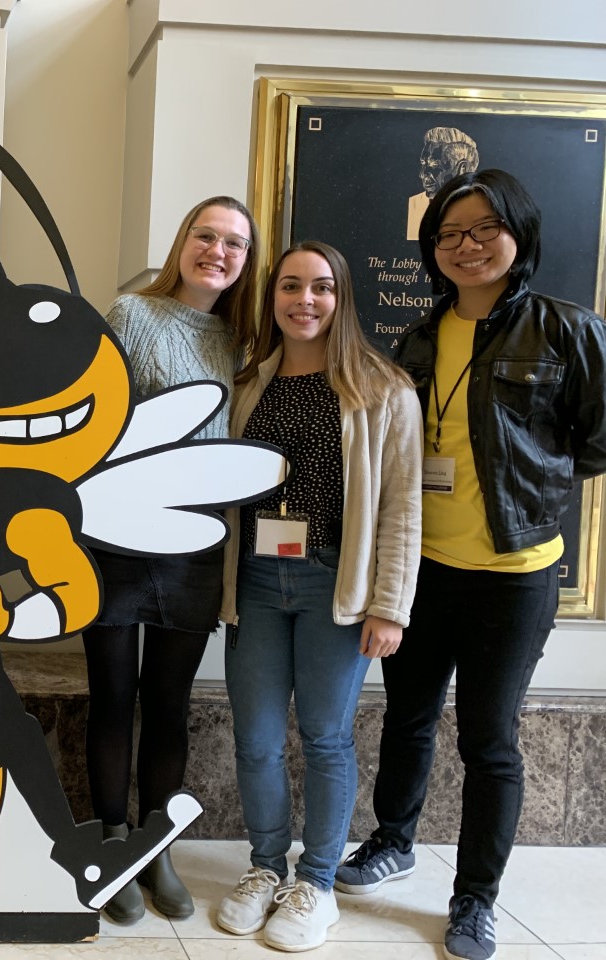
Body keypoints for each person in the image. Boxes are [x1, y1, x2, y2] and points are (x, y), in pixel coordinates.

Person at [335, 169, 606, 960]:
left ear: (518, 234)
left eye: (485, 229)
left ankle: (476, 898)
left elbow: (596, 439)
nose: (467, 246)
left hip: (514, 574)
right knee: (409, 717)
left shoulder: (567, 331)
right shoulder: (420, 336)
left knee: (490, 738)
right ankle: (393, 839)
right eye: (449, 234)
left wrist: (538, 482)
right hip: (422, 566)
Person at [216, 241, 422, 951]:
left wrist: (390, 606)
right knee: (256, 740)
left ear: (343, 299)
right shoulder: (249, 382)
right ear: (272, 297)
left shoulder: (384, 388)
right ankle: (266, 868)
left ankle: (319, 883)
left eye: (323, 288)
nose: (306, 300)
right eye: (291, 286)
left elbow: (401, 506)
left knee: (327, 738)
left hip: (335, 583)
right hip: (255, 582)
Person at [83, 197, 261, 923]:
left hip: (197, 548)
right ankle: (113, 844)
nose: (218, 251)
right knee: (113, 695)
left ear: (248, 263)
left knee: (169, 705)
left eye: (235, 245)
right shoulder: (129, 315)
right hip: (118, 538)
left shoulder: (247, 342)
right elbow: (92, 419)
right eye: (206, 235)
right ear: (182, 242)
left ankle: (158, 847)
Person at [407, 127, 479, 241]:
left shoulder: (484, 209)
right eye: (423, 164)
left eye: (434, 165)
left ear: (462, 169)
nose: (422, 174)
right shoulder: (414, 205)